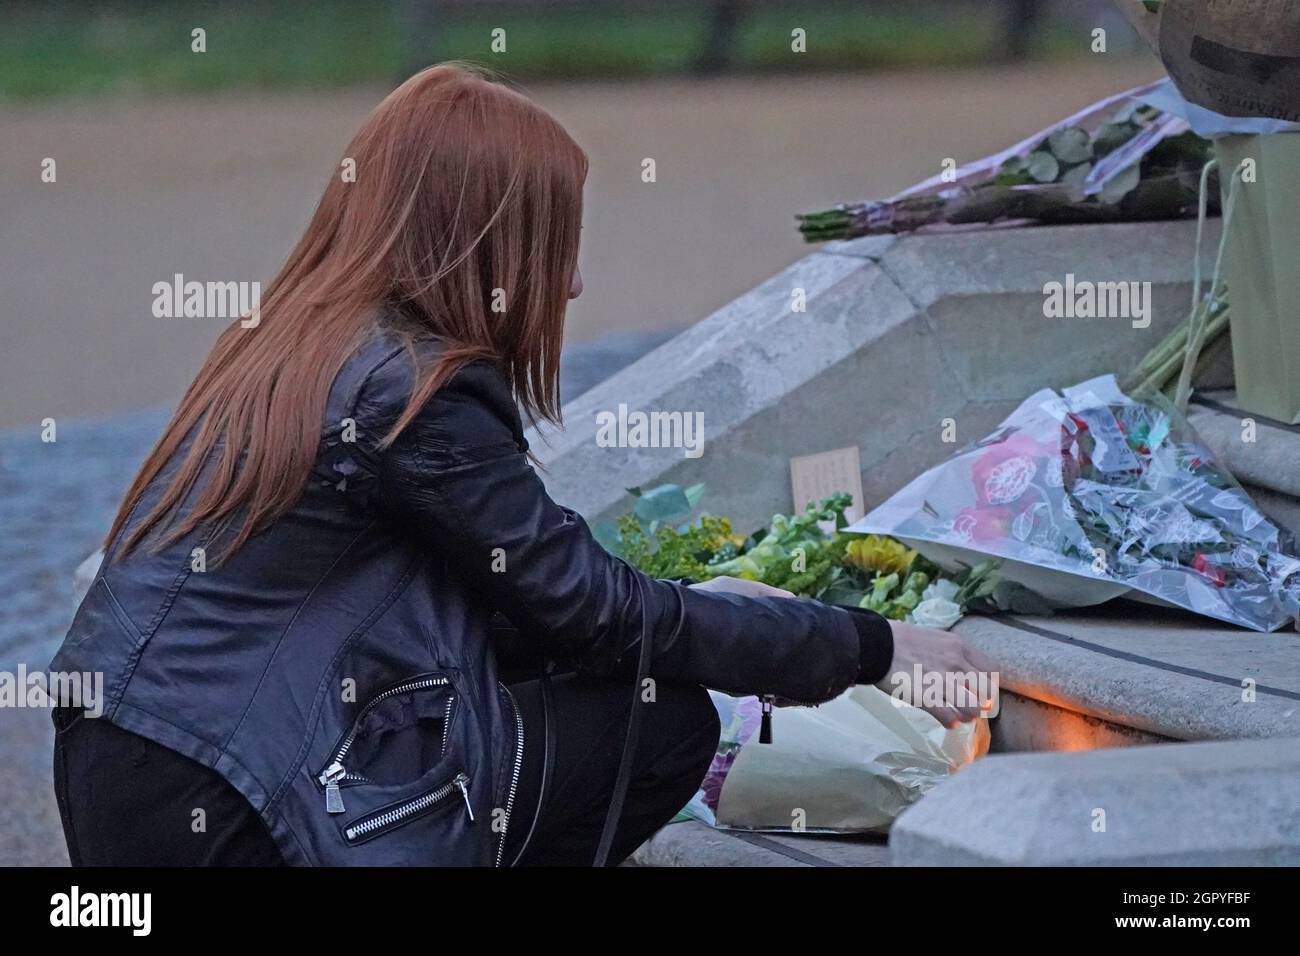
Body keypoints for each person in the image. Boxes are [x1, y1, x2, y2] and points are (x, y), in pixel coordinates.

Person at [49, 63, 990, 867]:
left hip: (133, 770)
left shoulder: (295, 344)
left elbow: (528, 607)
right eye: (555, 243)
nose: (572, 281)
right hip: (239, 802)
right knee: (659, 725)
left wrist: (731, 609)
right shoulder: (413, 393)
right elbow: (597, 615)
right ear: (485, 243)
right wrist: (872, 647)